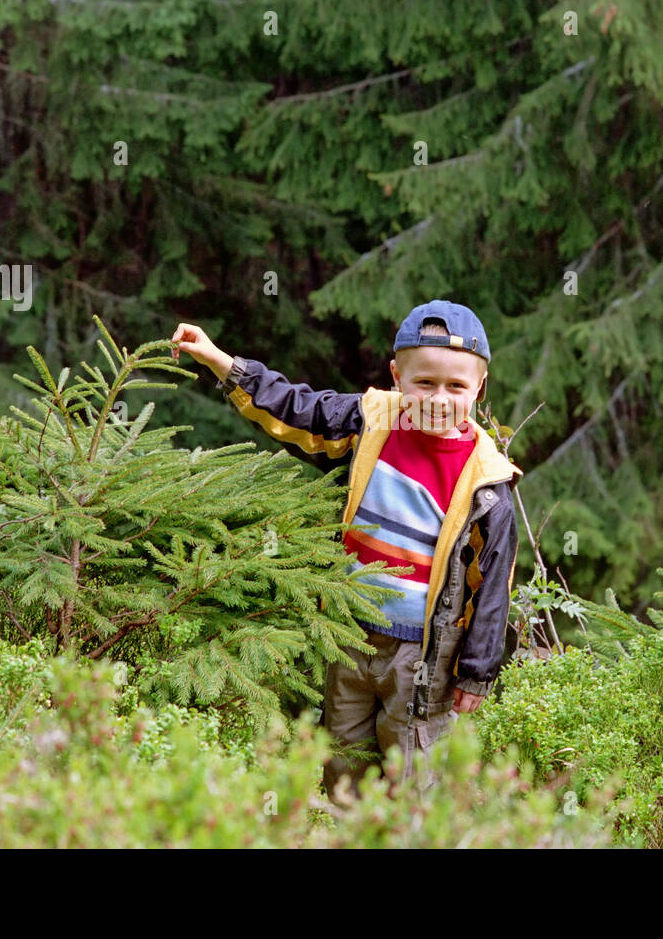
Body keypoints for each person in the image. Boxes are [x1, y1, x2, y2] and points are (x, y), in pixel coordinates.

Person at [171, 300, 523, 803]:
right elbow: (299, 409)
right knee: (342, 759)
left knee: (415, 773)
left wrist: (477, 672)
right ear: (398, 375)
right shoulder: (370, 421)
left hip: (424, 657)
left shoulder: (488, 482)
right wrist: (223, 363)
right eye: (424, 383)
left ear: (479, 388)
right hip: (350, 635)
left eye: (456, 387)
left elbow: (491, 587)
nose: (437, 399)